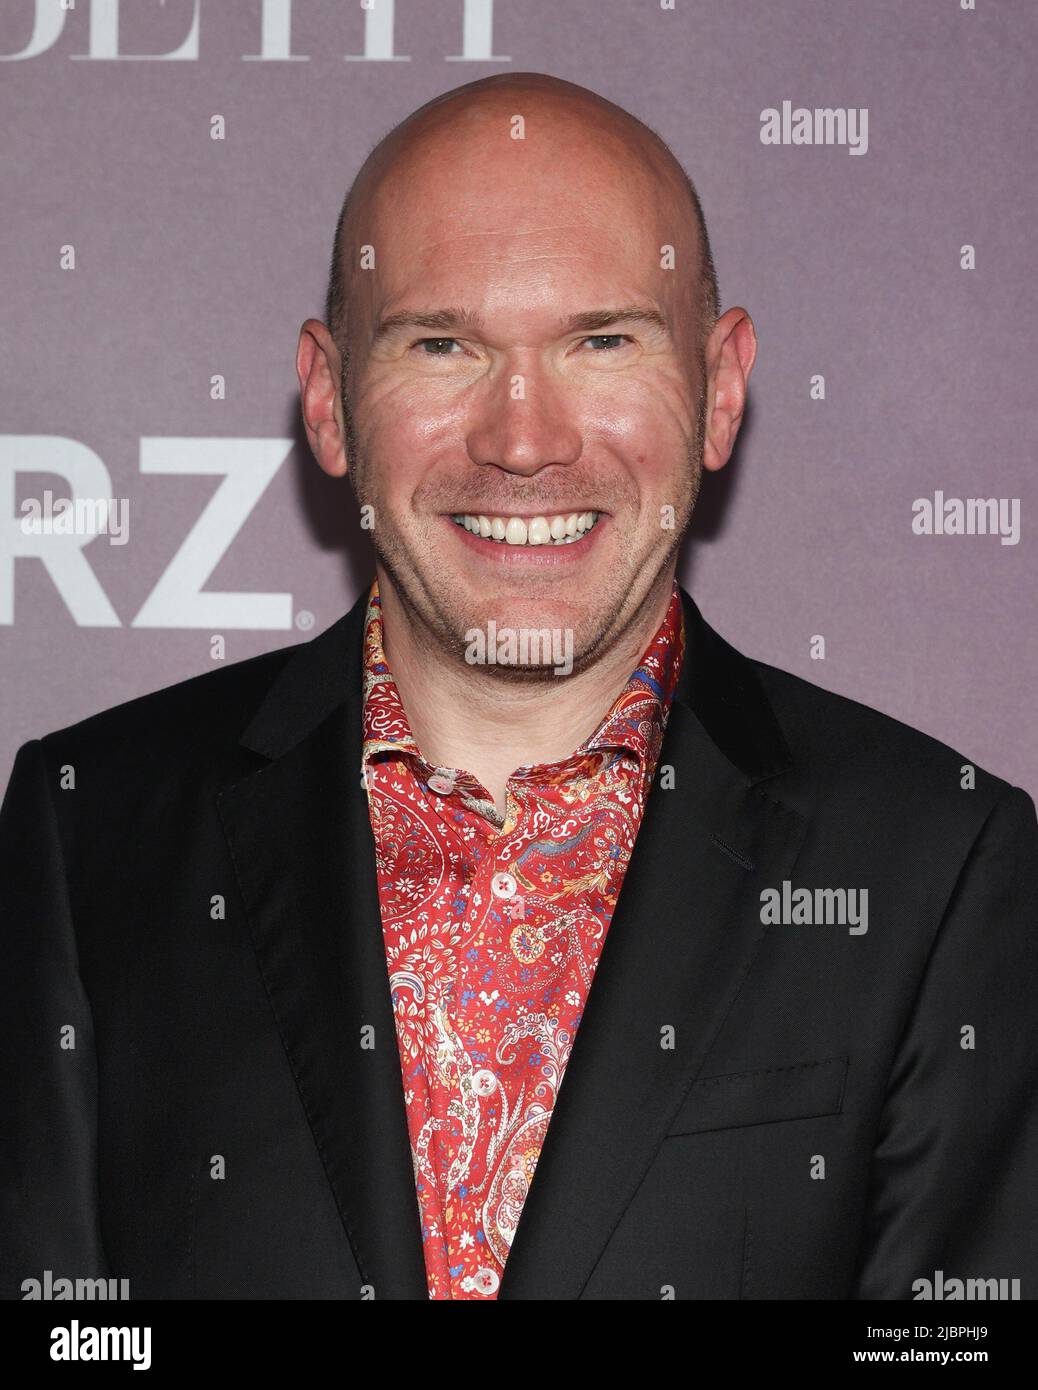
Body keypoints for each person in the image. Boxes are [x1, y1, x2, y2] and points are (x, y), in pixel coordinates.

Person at [2, 72, 1035, 1302]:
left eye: (602, 341)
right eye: (443, 344)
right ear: (330, 402)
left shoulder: (935, 860)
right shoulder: (92, 828)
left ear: (721, 386)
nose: (525, 438)